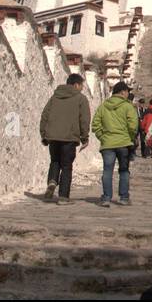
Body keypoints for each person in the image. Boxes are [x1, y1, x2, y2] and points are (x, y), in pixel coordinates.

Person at [39, 73, 91, 206]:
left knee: (55, 161)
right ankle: (63, 197)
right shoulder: (81, 99)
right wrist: (85, 137)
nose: (82, 88)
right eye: (81, 85)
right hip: (69, 137)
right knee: (67, 166)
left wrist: (44, 134)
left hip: (53, 137)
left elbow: (45, 115)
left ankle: (52, 181)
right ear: (76, 85)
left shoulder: (55, 97)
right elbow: (84, 119)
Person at [91, 81, 139, 207]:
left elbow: (95, 124)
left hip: (107, 144)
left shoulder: (103, 106)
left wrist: (103, 137)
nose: (128, 94)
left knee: (107, 171)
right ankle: (123, 197)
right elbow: (133, 125)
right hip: (124, 143)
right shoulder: (128, 106)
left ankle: (106, 197)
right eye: (127, 91)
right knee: (124, 171)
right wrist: (130, 137)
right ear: (123, 92)